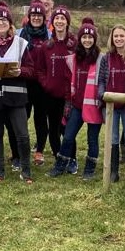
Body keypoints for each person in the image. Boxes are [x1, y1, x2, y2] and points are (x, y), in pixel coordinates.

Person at [0, 1, 35, 183]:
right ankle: (0, 170)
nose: (1, 23)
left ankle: (26, 169)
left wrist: (20, 71)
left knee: (22, 134)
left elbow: (31, 69)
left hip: (16, 96)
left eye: (4, 20)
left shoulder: (20, 43)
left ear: (10, 23)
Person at [48, 18, 103, 179]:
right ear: (80, 39)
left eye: (90, 37)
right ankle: (60, 165)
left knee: (92, 140)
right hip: (77, 105)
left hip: (94, 106)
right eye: (84, 37)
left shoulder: (101, 59)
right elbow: (67, 82)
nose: (87, 40)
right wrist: (68, 102)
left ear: (94, 39)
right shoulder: (73, 58)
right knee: (68, 136)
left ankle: (89, 169)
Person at [33, 5, 76, 171]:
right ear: (52, 22)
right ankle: (59, 157)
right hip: (51, 94)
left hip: (69, 96)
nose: (59, 21)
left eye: (62, 19)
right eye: (57, 18)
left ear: (67, 22)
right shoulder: (46, 46)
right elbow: (40, 69)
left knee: (68, 129)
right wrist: (46, 84)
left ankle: (72, 159)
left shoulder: (73, 44)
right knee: (54, 129)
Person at [97, 25, 125, 183]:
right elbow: (101, 80)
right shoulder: (106, 58)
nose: (119, 39)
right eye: (116, 36)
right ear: (112, 39)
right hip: (111, 106)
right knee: (113, 138)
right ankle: (113, 171)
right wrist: (102, 95)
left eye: (122, 36)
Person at [19, 0, 54, 166]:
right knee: (21, 117)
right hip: (24, 82)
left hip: (41, 84)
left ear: (44, 18)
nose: (36, 18)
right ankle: (21, 149)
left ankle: (39, 150)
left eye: (39, 15)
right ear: (29, 16)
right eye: (33, 14)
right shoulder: (20, 34)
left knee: (40, 118)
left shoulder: (49, 36)